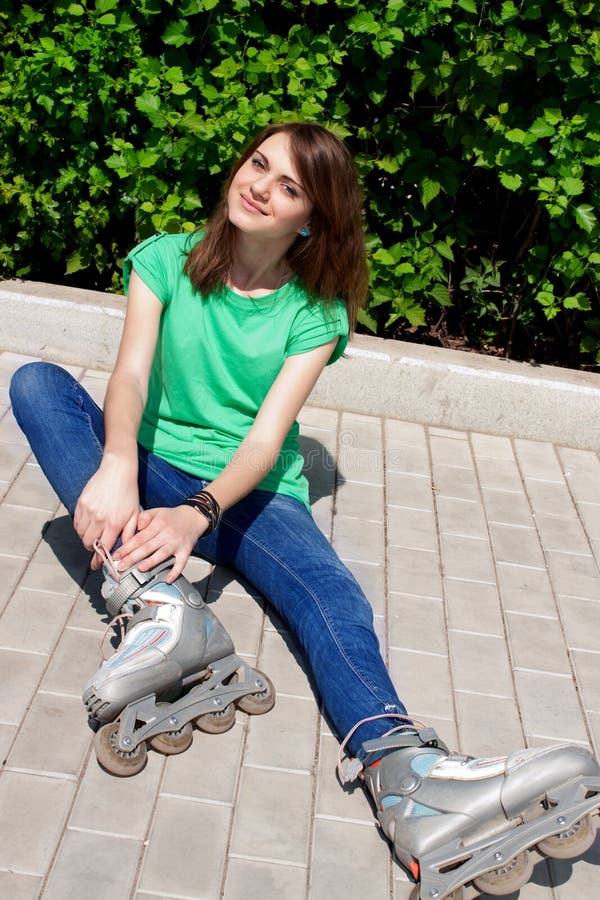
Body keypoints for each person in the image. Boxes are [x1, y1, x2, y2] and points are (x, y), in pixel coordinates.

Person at [10, 122, 600, 899]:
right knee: (38, 387)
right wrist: (118, 464)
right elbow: (128, 378)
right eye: (259, 164)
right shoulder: (163, 259)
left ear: (310, 220)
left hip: (245, 492)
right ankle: (161, 611)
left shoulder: (313, 315)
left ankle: (402, 770)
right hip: (151, 461)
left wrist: (194, 515)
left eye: (289, 186)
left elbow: (263, 440)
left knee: (326, 592)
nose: (260, 186)